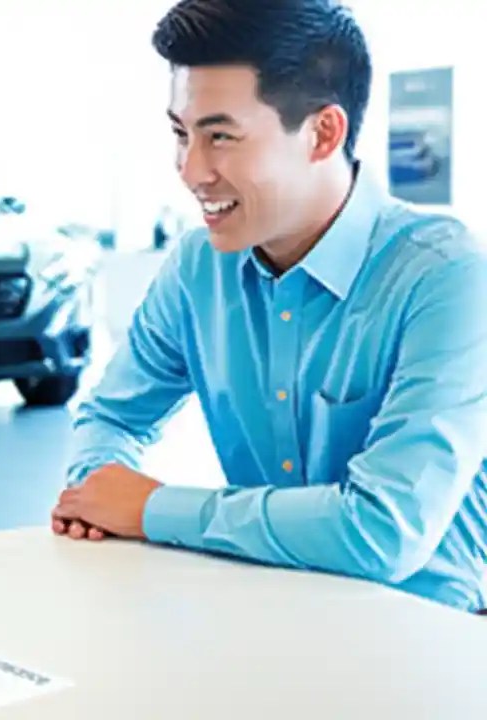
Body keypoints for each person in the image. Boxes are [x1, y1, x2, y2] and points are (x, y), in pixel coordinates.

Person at [53, 0, 487, 614]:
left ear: (323, 133)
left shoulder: (446, 276)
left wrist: (148, 507)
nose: (190, 171)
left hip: (429, 638)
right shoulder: (199, 267)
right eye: (182, 134)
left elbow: (385, 531)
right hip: (266, 616)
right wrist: (99, 489)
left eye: (220, 137)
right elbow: (111, 419)